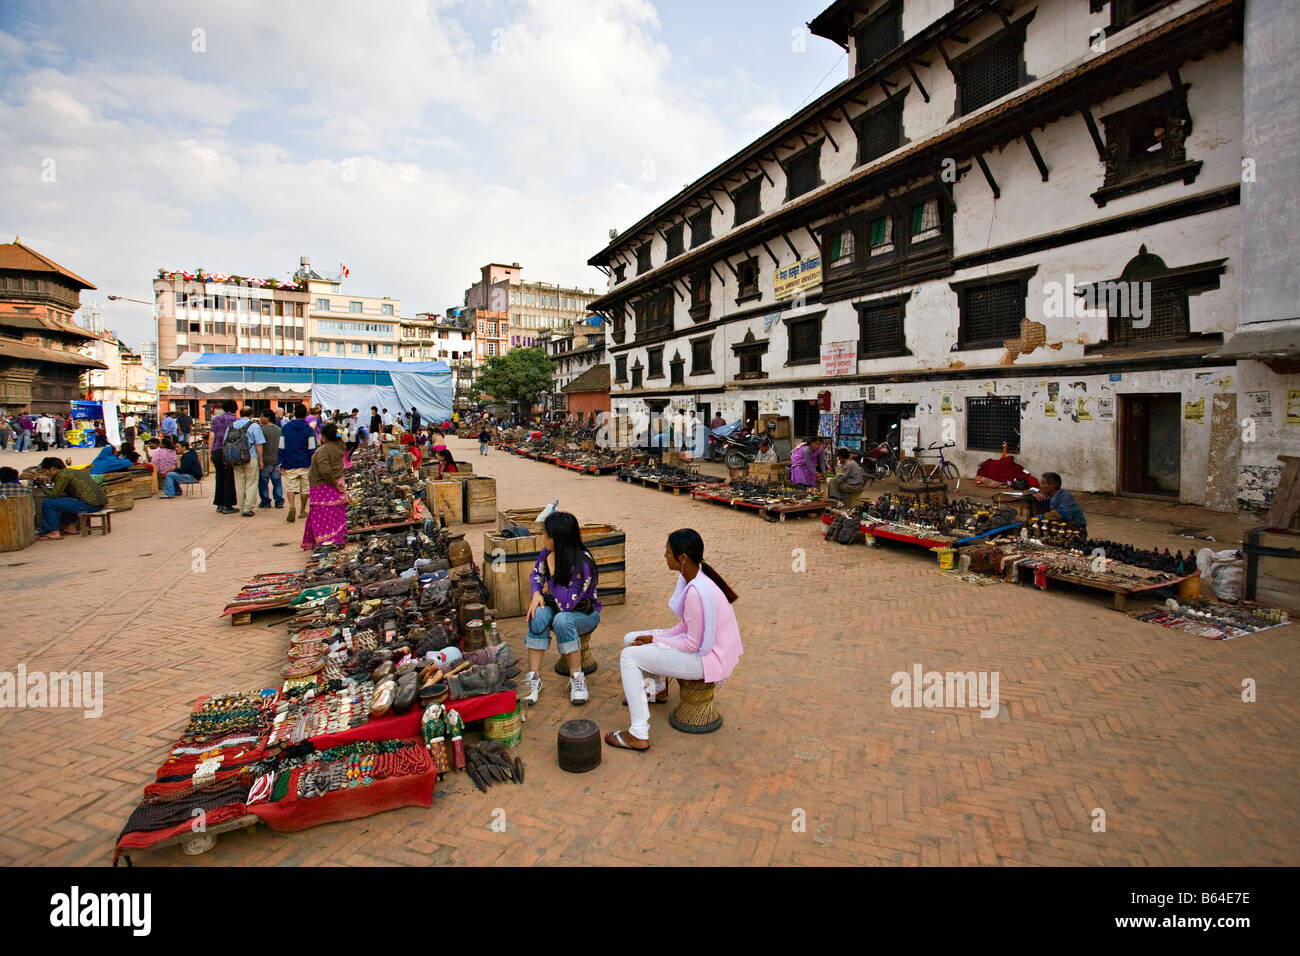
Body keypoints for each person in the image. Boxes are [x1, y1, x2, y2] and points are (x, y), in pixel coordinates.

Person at [607, 529, 743, 751]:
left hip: (707, 660)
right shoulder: (695, 576)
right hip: (702, 651)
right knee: (630, 638)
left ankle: (638, 733)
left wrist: (656, 640)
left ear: (682, 558)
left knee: (629, 657)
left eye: (668, 552)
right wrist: (654, 638)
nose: (664, 556)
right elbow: (685, 627)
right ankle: (656, 688)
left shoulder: (696, 592)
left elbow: (691, 644)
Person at [522, 511, 601, 706]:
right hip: (558, 607)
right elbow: (535, 575)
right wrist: (536, 594)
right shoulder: (547, 552)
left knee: (562, 619)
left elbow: (567, 604)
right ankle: (533, 678)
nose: (543, 537)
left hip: (585, 614)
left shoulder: (583, 564)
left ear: (556, 539)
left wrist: (553, 570)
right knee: (538, 614)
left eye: (545, 534)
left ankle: (576, 678)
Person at [35, 456, 107, 541]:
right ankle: (71, 527)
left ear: (53, 469)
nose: (45, 474)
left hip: (90, 505)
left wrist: (41, 484)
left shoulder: (62, 475)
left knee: (48, 503)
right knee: (67, 499)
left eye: (45, 471)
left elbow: (53, 494)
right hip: (98, 503)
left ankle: (54, 531)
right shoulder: (72, 471)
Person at [302, 422, 347, 550]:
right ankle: (338, 538)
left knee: (322, 515)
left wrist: (333, 483)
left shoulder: (323, 450)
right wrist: (337, 429)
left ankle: (326, 541)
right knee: (336, 514)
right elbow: (343, 433)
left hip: (323, 487)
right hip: (336, 484)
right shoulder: (340, 446)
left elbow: (325, 470)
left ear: (324, 437)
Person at [279, 403, 317, 524]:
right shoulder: (309, 429)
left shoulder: (285, 428)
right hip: (305, 462)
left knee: (291, 486)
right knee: (305, 488)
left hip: (289, 462)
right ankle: (302, 510)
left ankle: (291, 506)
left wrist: (281, 462)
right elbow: (312, 448)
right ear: (306, 415)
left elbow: (281, 446)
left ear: (294, 414)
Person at [227, 407, 265, 517]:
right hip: (250, 456)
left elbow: (227, 441)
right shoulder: (254, 426)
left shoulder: (231, 426)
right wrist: (260, 459)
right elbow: (259, 444)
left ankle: (242, 506)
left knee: (239, 482)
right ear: (251, 414)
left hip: (235, 457)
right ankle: (248, 507)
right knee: (251, 482)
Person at [210, 399, 239, 514]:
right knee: (229, 478)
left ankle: (219, 504)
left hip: (217, 450)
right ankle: (228, 504)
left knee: (219, 476)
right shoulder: (236, 421)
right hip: (230, 451)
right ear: (236, 409)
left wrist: (210, 452)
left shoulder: (216, 420)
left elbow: (212, 436)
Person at [257, 411, 284, 509]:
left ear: (267, 418)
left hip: (264, 460)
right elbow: (282, 446)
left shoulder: (261, 430)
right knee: (277, 481)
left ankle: (265, 501)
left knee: (263, 482)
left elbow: (258, 446)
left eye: (262, 416)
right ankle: (279, 500)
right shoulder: (279, 430)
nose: (260, 418)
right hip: (276, 460)